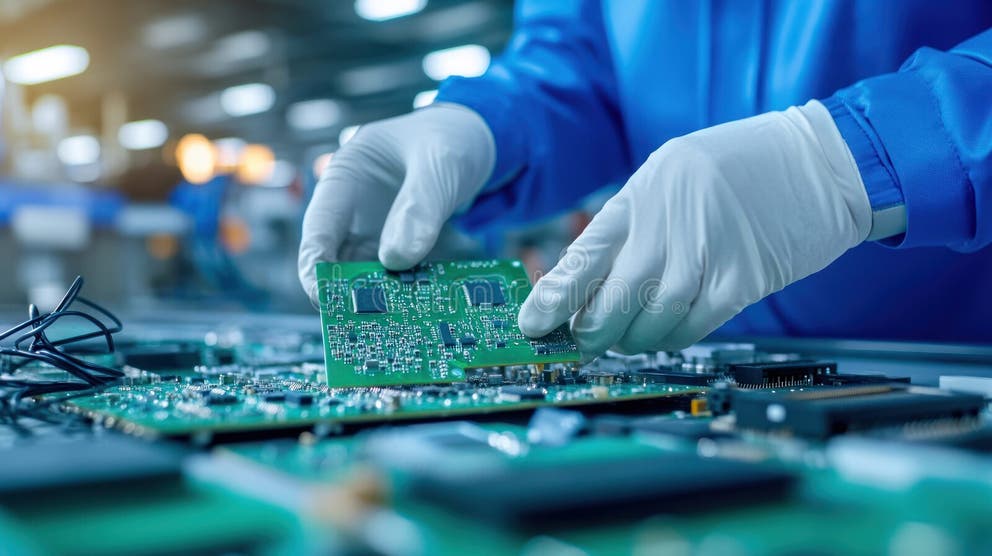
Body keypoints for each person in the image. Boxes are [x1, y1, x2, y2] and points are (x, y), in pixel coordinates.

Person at [299, 1, 992, 359]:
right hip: (701, 369)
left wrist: (852, 158)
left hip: (956, 367)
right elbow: (579, 64)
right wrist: (483, 126)